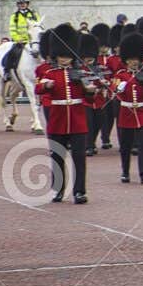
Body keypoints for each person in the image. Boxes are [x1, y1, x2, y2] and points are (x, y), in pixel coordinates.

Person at [36, 24, 103, 204]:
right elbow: (38, 88)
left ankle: (79, 191)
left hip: (77, 120)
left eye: (67, 56)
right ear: (56, 56)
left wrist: (89, 90)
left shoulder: (81, 73)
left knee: (79, 159)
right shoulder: (50, 73)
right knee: (57, 157)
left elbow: (89, 99)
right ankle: (58, 190)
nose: (64, 60)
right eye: (61, 56)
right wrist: (46, 86)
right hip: (57, 120)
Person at [113, 30, 143, 184]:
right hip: (126, 112)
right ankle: (125, 171)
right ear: (126, 60)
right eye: (131, 60)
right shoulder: (120, 75)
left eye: (137, 59)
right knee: (125, 146)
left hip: (142, 112)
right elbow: (116, 92)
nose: (134, 62)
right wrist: (121, 87)